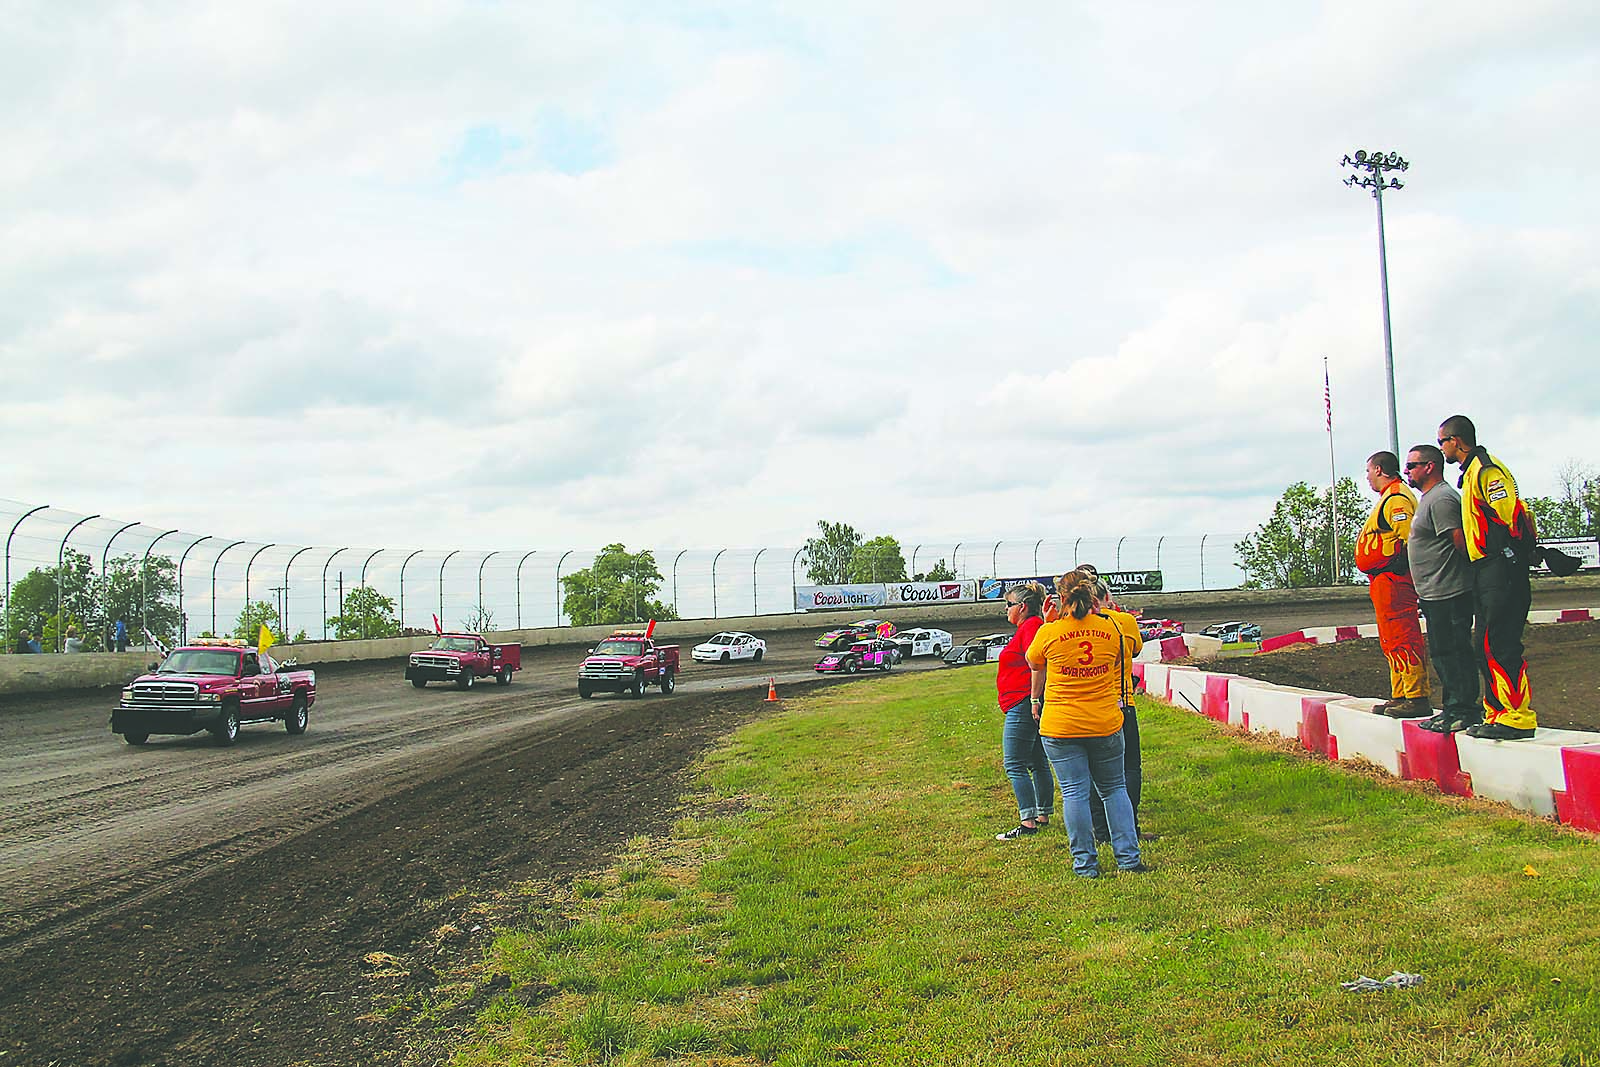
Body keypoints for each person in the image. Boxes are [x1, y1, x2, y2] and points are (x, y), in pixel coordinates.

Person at [1027, 569, 1147, 878]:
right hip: (1105, 721)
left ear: (1061, 598)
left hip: (1060, 726)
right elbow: (1126, 655)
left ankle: (1085, 864)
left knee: (1074, 794)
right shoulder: (1113, 628)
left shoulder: (1050, 631)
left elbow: (1034, 661)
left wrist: (1048, 621)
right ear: (1094, 595)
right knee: (1114, 788)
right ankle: (1128, 859)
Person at [1438, 415, 1538, 740]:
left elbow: (1509, 516)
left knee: (1500, 642)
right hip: (1485, 568)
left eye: (1443, 442)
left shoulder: (1486, 470)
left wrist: (1509, 555)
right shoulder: (1469, 475)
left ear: (1457, 441)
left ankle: (1518, 716)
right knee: (1485, 643)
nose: (1442, 449)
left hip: (1501, 566)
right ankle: (1498, 711)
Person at [1406, 444, 1481, 734]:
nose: (1407, 472)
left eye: (1412, 466)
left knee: (1454, 651)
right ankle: (1453, 708)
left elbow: (1460, 541)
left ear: (1429, 467)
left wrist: (1466, 578)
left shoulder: (1442, 499)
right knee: (1442, 652)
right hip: (1434, 592)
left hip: (1449, 591)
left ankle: (1464, 709)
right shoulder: (1429, 499)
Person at [1356, 450, 1431, 718]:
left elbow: (1410, 538)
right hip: (1384, 580)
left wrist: (1398, 563)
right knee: (1391, 639)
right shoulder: (1388, 498)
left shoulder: (1397, 498)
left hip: (1395, 580)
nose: (1366, 477)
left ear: (1379, 470)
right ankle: (1400, 693)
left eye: (1368, 471)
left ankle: (1416, 695)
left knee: (1402, 636)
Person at [1084, 573, 1148, 844]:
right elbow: (1135, 650)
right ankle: (1129, 825)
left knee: (1090, 771)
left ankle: (1100, 830)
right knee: (1129, 768)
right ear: (1107, 598)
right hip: (1122, 701)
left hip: (1089, 703)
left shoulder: (1073, 625)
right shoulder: (1124, 621)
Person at [992, 581, 1055, 840]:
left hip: (1023, 702)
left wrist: (1034, 698)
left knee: (1015, 763)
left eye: (1008, 605)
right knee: (1036, 760)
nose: (1005, 609)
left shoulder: (1030, 627)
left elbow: (1037, 662)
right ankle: (1042, 813)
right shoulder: (1029, 627)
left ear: (1022, 606)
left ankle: (1027, 821)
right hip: (1024, 701)